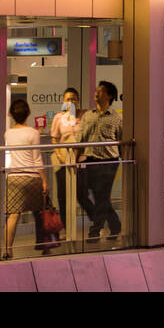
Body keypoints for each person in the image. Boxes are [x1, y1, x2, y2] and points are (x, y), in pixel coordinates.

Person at [3, 99, 51, 259]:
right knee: (40, 211)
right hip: (32, 177)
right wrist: (44, 180)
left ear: (11, 114)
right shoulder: (33, 133)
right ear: (28, 113)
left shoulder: (8, 133)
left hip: (14, 177)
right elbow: (37, 159)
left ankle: (8, 249)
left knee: (13, 215)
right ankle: (45, 246)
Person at [75, 81, 122, 241]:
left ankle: (95, 230)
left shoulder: (116, 117)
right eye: (97, 90)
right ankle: (115, 224)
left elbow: (121, 139)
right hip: (90, 160)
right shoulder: (88, 115)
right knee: (82, 193)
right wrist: (75, 159)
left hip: (109, 161)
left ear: (109, 96)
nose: (96, 93)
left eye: (101, 91)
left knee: (102, 196)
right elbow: (79, 139)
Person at [50, 88, 82, 232]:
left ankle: (96, 223)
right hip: (62, 160)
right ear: (63, 101)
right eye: (68, 99)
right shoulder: (58, 117)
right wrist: (59, 156)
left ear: (78, 100)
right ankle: (66, 227)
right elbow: (54, 138)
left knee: (81, 194)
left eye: (74, 98)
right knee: (62, 195)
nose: (71, 101)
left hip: (80, 160)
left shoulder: (82, 116)